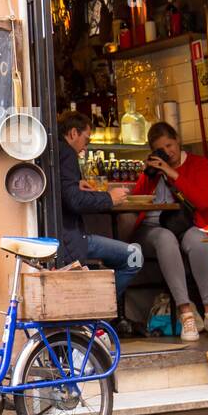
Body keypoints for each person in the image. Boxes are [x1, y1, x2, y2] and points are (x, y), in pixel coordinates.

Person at [128, 121, 208, 342]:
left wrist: (172, 173)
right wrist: (149, 172)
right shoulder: (155, 169)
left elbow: (202, 202)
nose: (168, 152)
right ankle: (186, 313)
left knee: (200, 241)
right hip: (152, 229)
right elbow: (136, 199)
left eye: (170, 145)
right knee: (165, 238)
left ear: (178, 140)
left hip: (187, 224)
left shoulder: (198, 164)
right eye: (162, 148)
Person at [56, 110, 141, 298]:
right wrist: (109, 198)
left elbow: (61, 190)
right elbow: (75, 201)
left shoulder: (55, 150)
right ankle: (99, 310)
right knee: (134, 256)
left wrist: (74, 185)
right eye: (86, 140)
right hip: (72, 240)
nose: (84, 148)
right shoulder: (67, 153)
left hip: (65, 239)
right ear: (73, 133)